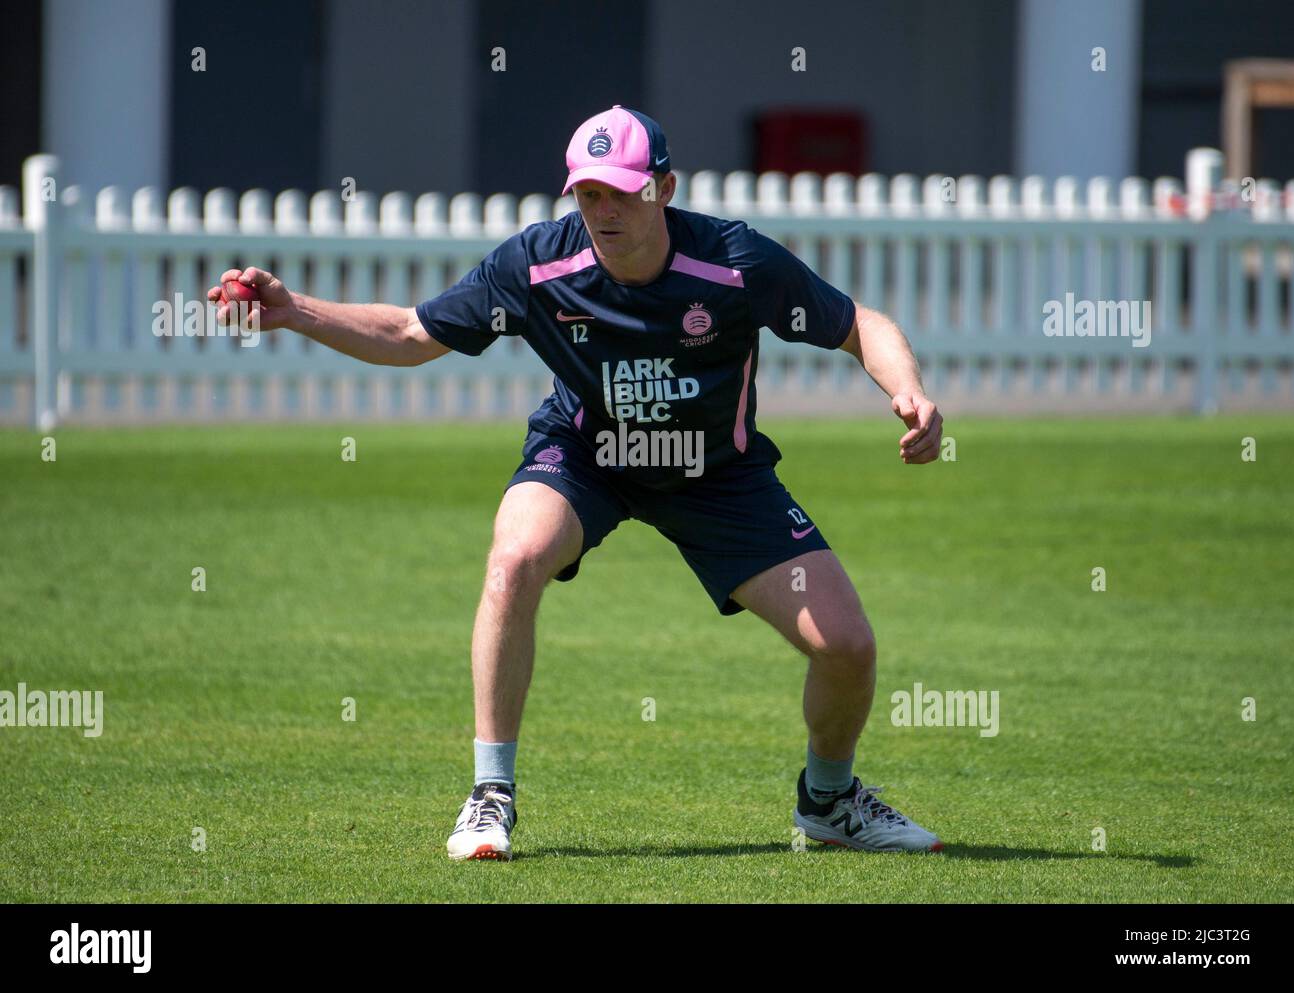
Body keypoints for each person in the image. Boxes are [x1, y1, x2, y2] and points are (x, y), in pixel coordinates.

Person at [209, 105, 946, 861]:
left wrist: (909, 390)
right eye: (588, 195)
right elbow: (409, 332)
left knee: (848, 646)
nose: (603, 212)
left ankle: (828, 801)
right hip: (588, 454)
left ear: (664, 187)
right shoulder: (537, 264)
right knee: (516, 557)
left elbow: (860, 323)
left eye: (621, 192)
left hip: (716, 474)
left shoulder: (734, 262)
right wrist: (295, 310)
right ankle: (490, 794)